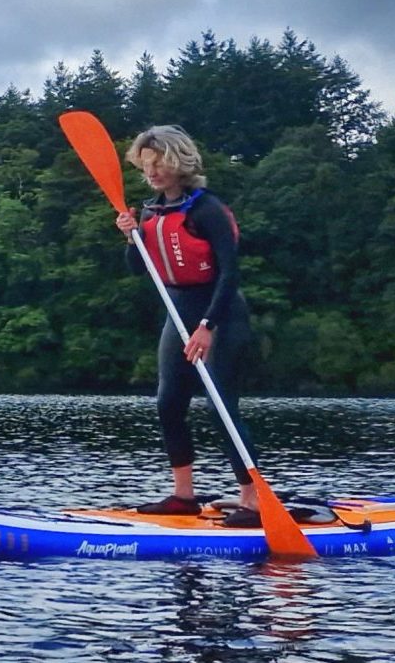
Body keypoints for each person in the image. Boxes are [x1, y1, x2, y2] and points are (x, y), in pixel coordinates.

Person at [114, 124, 259, 526]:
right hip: (178, 311)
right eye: (146, 166)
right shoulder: (149, 210)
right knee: (168, 403)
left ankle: (253, 500)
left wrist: (208, 325)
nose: (153, 173)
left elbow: (230, 274)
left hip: (221, 312)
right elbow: (138, 268)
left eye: (160, 164)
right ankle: (184, 495)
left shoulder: (207, 209)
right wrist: (131, 238)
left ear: (179, 162)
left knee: (220, 408)